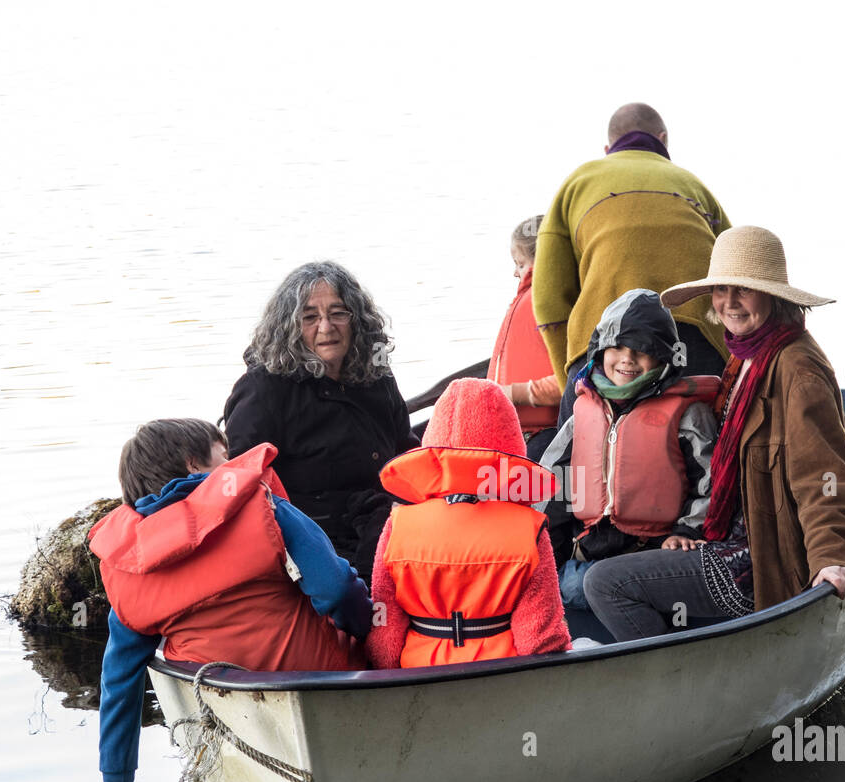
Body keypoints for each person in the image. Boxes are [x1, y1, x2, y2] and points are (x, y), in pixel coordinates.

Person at [582, 226, 845, 640]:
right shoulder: (748, 357)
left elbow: (825, 473)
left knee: (604, 583)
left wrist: (833, 556)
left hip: (758, 561)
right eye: (721, 289)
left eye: (743, 290)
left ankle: (668, 682)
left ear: (773, 296)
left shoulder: (798, 368)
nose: (728, 302)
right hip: (732, 532)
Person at [89, 418, 372, 782]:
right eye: (225, 455)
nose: (234, 464)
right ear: (195, 464)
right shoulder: (263, 505)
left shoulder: (130, 568)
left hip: (234, 717)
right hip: (327, 687)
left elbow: (119, 684)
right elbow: (336, 590)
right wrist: (368, 632)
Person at [533, 102, 732, 424]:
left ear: (608, 147)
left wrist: (572, 374)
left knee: (578, 466)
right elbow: (739, 272)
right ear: (662, 140)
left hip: (607, 348)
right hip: (696, 343)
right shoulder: (693, 185)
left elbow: (547, 301)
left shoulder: (577, 183)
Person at [222, 262, 418, 578]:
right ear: (289, 326)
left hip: (391, 523)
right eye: (310, 317)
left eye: (338, 313)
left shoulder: (375, 373)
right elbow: (241, 482)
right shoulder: (264, 389)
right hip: (317, 544)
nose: (326, 327)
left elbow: (405, 451)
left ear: (357, 320)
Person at [367, 378, 572, 668]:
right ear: (510, 443)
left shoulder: (397, 525)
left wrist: (385, 678)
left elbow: (384, 627)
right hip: (499, 676)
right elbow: (539, 637)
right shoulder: (531, 529)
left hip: (418, 676)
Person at [538, 289, 717, 613]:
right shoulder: (584, 411)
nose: (627, 359)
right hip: (590, 552)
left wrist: (686, 531)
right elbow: (554, 481)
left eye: (641, 351)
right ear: (599, 350)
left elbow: (709, 481)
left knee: (586, 588)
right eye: (616, 348)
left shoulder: (689, 415)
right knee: (565, 585)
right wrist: (545, 546)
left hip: (655, 552)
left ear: (664, 356)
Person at [487, 215, 561, 461]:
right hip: (517, 433)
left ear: (542, 261)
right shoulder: (530, 300)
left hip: (544, 435)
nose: (515, 273)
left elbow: (569, 379)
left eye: (520, 264)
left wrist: (510, 393)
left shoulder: (548, 305)